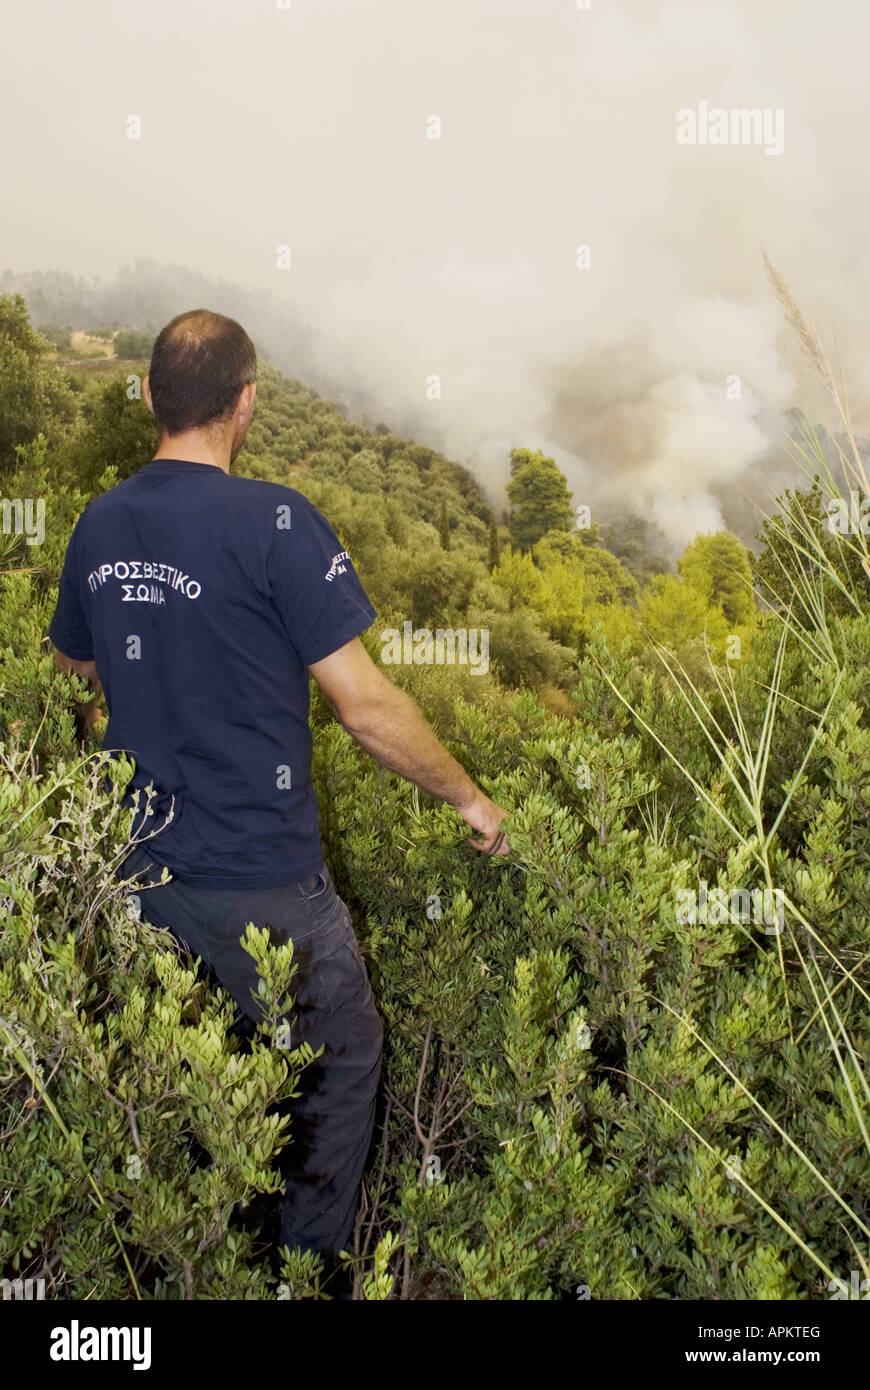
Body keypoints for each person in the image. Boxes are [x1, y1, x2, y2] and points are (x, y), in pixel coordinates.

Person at [48, 307, 510, 1279]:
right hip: (262, 882)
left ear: (147, 397)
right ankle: (302, 1271)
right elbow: (367, 708)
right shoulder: (277, 521)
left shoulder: (101, 522)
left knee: (182, 1068)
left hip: (140, 875)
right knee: (342, 1060)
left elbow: (72, 668)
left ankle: (188, 1247)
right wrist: (471, 800)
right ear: (247, 402)